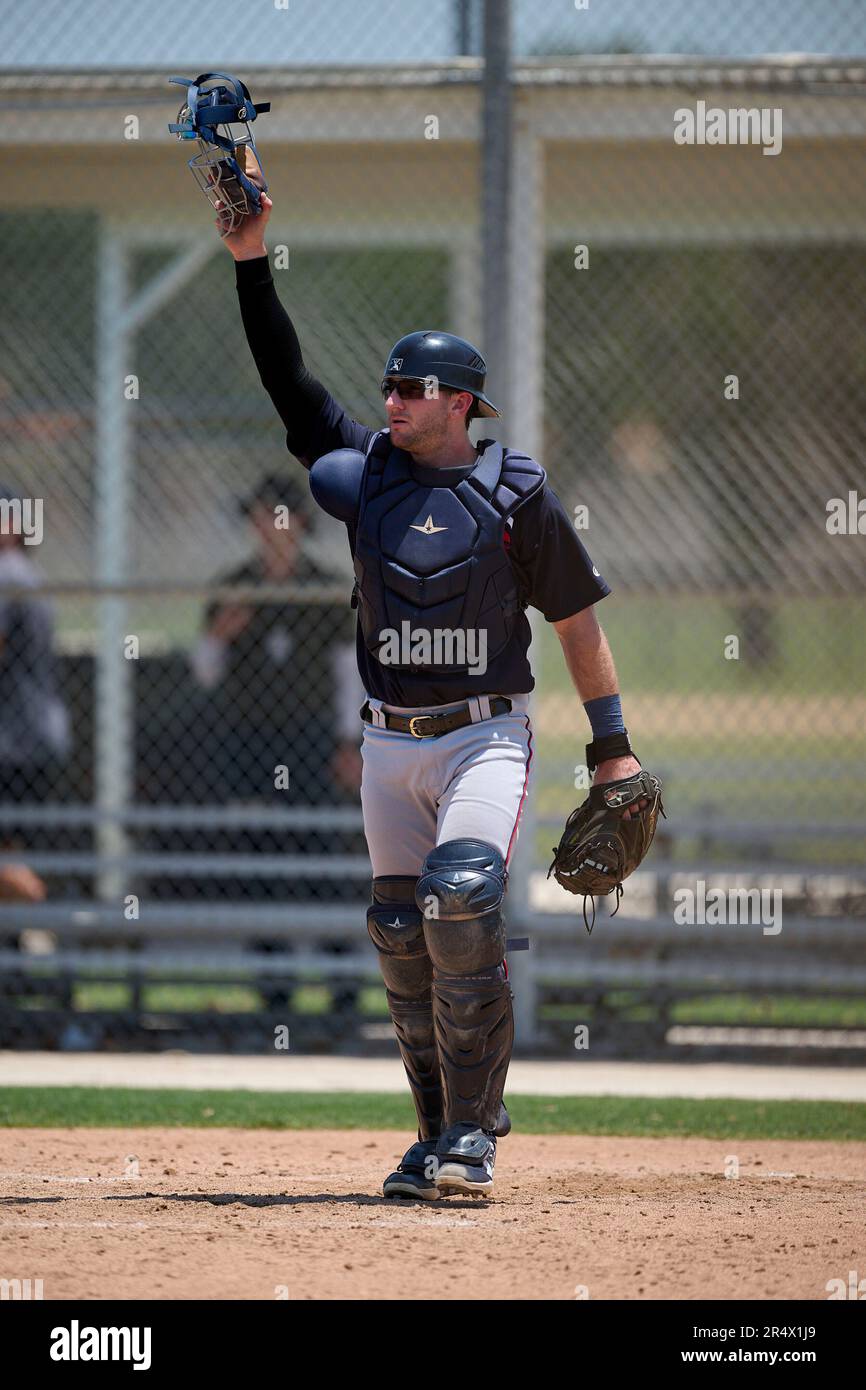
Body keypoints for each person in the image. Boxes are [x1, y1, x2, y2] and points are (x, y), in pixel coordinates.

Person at [218, 193, 650, 1200]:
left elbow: (576, 622)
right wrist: (249, 257)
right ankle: (429, 1136)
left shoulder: (515, 495)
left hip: (480, 738)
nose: (392, 400)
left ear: (460, 401)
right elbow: (290, 386)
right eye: (387, 385)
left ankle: (473, 1132)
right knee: (400, 935)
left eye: (411, 387)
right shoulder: (362, 475)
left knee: (458, 898)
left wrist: (612, 749)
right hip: (386, 745)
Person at [0, 483, 70, 909]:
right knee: (15, 852)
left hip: (14, 745)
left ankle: (50, 929)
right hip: (33, 740)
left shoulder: (7, 571)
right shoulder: (25, 571)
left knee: (10, 856)